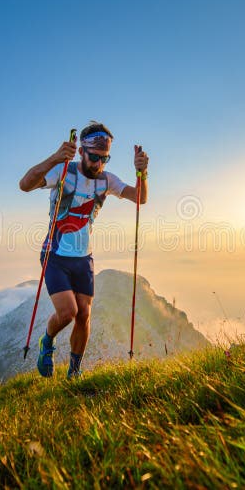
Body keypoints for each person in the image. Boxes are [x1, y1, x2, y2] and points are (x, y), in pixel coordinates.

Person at [19, 121, 149, 378]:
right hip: (55, 255)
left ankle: (74, 372)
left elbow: (140, 198)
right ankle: (47, 342)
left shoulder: (107, 180)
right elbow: (25, 185)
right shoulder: (62, 171)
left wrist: (142, 174)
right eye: (94, 157)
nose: (99, 164)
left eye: (105, 158)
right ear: (81, 152)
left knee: (84, 315)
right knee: (68, 313)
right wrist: (56, 157)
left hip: (83, 258)